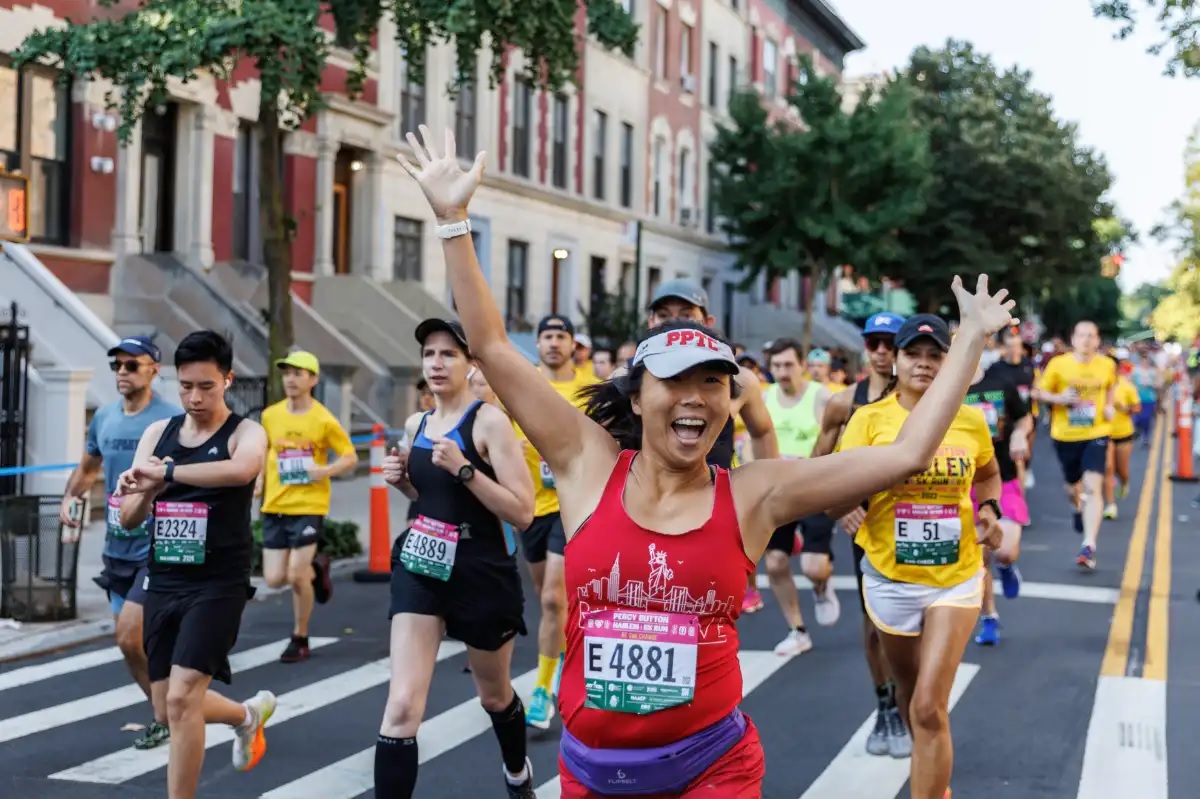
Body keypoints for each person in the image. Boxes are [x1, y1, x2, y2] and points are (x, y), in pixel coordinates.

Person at [397, 125, 1014, 796]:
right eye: (674, 380)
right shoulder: (585, 461)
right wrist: (453, 221)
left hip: (712, 772)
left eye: (712, 382)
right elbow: (487, 342)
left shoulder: (755, 494)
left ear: (729, 397)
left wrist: (969, 343)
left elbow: (906, 450)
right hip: (589, 772)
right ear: (638, 396)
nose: (694, 398)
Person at [834, 314, 1008, 799]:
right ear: (896, 360)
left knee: (931, 705)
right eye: (915, 354)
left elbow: (989, 474)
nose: (925, 365)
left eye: (936, 356)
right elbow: (833, 481)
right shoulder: (868, 420)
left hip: (955, 576)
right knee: (912, 700)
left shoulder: (970, 419)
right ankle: (936, 780)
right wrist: (843, 505)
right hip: (889, 579)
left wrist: (990, 508)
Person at [378, 318, 536, 798]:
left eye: (449, 354)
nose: (437, 363)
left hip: (481, 567)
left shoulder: (488, 421)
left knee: (494, 694)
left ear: (471, 364)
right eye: (429, 354)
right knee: (403, 705)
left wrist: (466, 469)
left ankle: (516, 772)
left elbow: (523, 511)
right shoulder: (417, 423)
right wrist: (401, 479)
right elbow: (427, 496)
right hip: (422, 562)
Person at [114, 331, 276, 799]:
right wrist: (146, 490)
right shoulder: (157, 434)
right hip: (164, 577)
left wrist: (166, 472)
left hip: (218, 583)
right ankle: (246, 717)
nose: (194, 397)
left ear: (227, 380)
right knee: (168, 708)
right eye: (185, 386)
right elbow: (128, 518)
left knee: (185, 698)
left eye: (206, 386)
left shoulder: (246, 432)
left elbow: (241, 471)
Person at [58, 336, 178, 750]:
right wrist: (71, 499)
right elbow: (89, 466)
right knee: (131, 649)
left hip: (156, 545)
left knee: (130, 635)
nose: (122, 372)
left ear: (153, 370)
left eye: (132, 365)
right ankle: (164, 715)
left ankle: (173, 711)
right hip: (117, 547)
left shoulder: (171, 417)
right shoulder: (105, 417)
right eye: (117, 366)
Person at [812, 311, 911, 759]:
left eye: (892, 343)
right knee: (876, 626)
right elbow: (820, 466)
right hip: (867, 527)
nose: (883, 351)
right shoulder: (843, 403)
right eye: (875, 343)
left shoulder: (924, 401)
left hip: (917, 524)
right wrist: (844, 505)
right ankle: (886, 705)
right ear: (866, 349)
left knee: (921, 627)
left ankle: (915, 706)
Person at [513, 314, 599, 729]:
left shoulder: (587, 389)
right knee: (549, 598)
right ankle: (566, 651)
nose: (552, 343)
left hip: (574, 505)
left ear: (572, 344)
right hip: (532, 507)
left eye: (560, 336)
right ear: (538, 342)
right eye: (546, 336)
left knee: (551, 598)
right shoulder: (524, 387)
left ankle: (544, 689)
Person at [256, 351, 358, 663]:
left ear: (313, 380)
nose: (290, 379)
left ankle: (300, 637)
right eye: (286, 373)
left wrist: (324, 471)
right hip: (275, 504)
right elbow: (264, 451)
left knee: (296, 575)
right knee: (274, 579)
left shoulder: (324, 419)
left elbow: (350, 456)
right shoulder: (270, 415)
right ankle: (318, 567)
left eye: (298, 373)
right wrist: (259, 481)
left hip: (309, 504)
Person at [761, 338, 834, 654]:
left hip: (815, 487)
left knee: (814, 567)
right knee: (775, 563)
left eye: (788, 365)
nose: (782, 372)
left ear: (802, 365)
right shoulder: (765, 398)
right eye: (776, 366)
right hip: (779, 490)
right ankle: (797, 629)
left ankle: (821, 586)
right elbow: (755, 440)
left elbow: (836, 442)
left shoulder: (822, 397)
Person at [1034, 320, 1116, 570]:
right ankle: (1076, 508)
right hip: (1065, 434)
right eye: (1082, 335)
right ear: (1073, 339)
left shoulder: (1107, 364)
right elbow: (1037, 392)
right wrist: (1059, 398)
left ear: (1098, 339)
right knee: (1074, 487)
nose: (1087, 340)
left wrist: (1110, 405)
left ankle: (1088, 545)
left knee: (1093, 486)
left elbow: (1110, 386)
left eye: (1091, 335)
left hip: (1096, 432)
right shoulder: (1059, 365)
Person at [963, 356, 1032, 646]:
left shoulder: (1001, 383)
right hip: (963, 485)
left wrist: (1018, 434)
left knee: (1003, 552)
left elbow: (1025, 417)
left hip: (1002, 479)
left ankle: (1006, 567)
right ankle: (989, 616)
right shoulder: (944, 390)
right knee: (978, 557)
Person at [1103, 351, 1141, 519]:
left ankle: (1125, 482)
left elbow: (1137, 407)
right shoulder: (1099, 387)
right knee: (1108, 468)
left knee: (1121, 469)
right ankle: (1111, 505)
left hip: (1124, 433)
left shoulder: (1127, 386)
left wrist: (1124, 408)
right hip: (1104, 433)